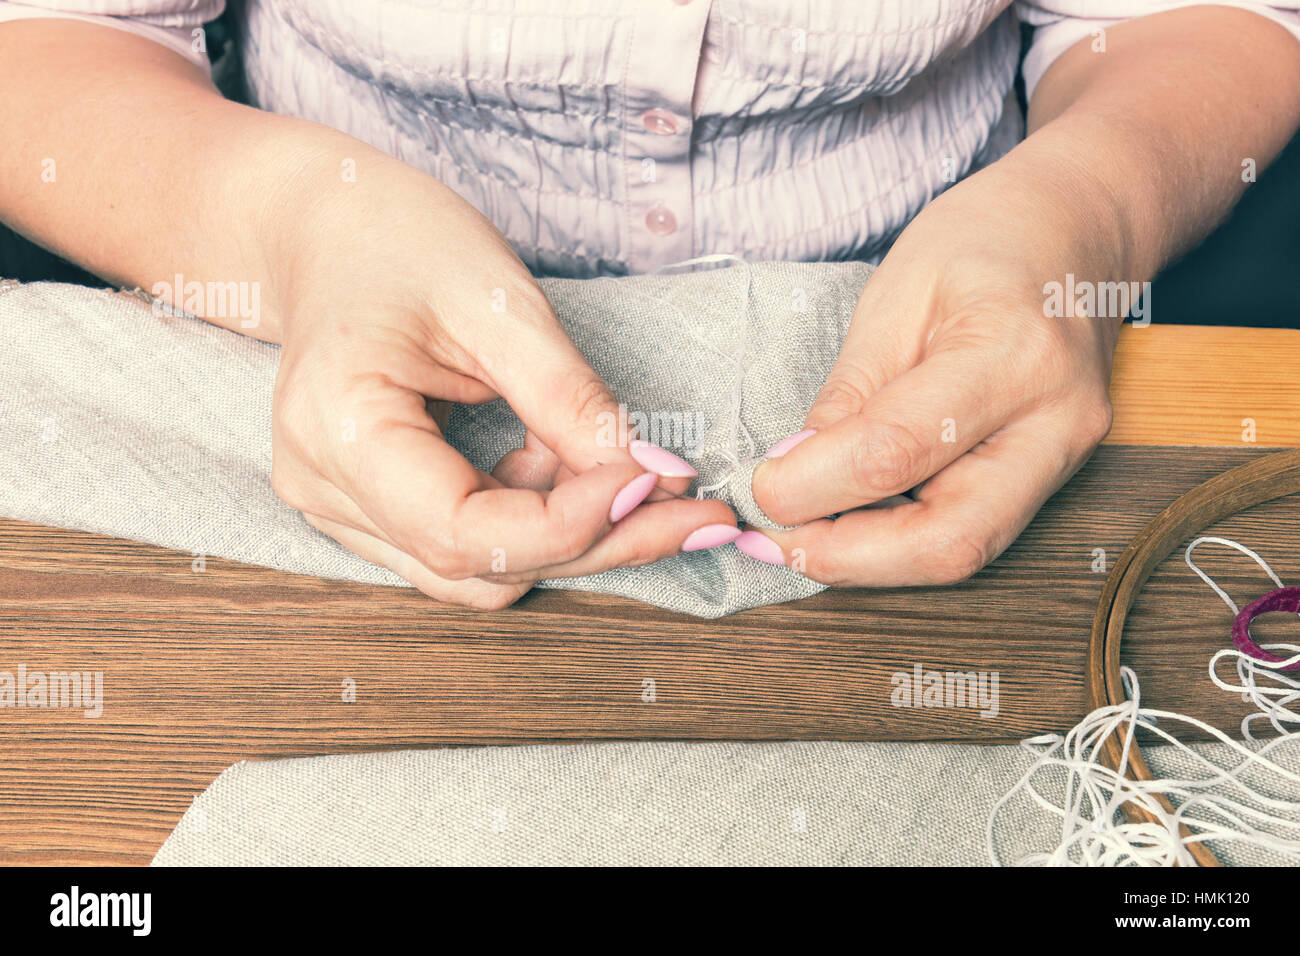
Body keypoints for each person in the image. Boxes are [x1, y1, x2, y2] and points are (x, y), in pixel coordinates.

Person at [1, 1, 1298, 609]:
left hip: (964, 360)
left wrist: (1082, 216)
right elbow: (54, 29)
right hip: (314, 358)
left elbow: (1184, 16)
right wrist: (293, 231)